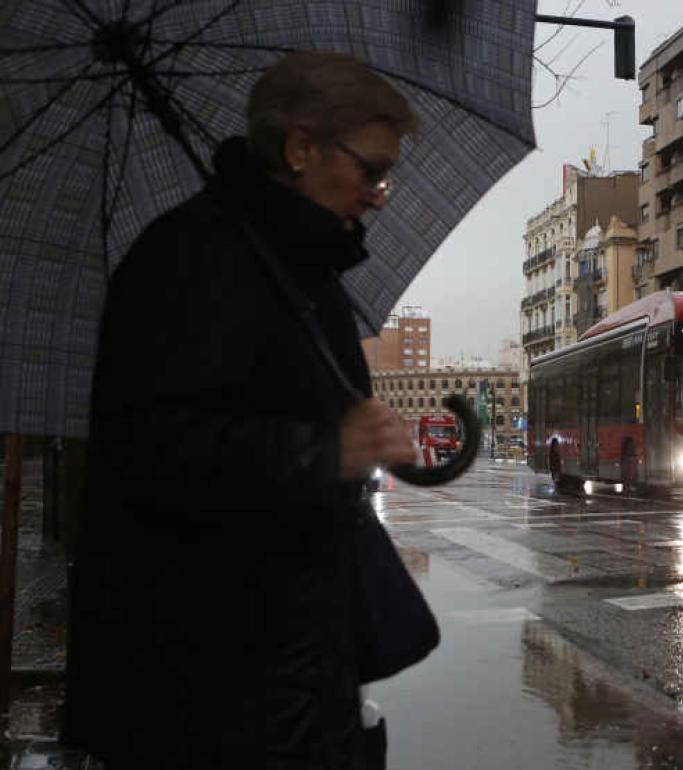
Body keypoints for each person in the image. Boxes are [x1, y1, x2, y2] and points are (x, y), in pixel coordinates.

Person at [63, 52, 420, 769]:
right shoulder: (191, 260)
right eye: (372, 170)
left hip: (290, 683)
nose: (381, 194)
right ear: (299, 149)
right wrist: (326, 451)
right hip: (210, 704)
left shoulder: (296, 268)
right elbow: (144, 452)